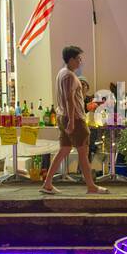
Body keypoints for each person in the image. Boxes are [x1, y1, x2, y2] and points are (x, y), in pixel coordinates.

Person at [43, 45, 107, 195]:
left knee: (64, 150)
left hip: (64, 116)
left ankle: (47, 183)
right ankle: (91, 186)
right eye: (78, 59)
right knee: (83, 152)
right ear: (70, 59)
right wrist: (72, 121)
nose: (80, 61)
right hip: (74, 118)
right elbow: (69, 99)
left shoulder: (62, 73)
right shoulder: (69, 76)